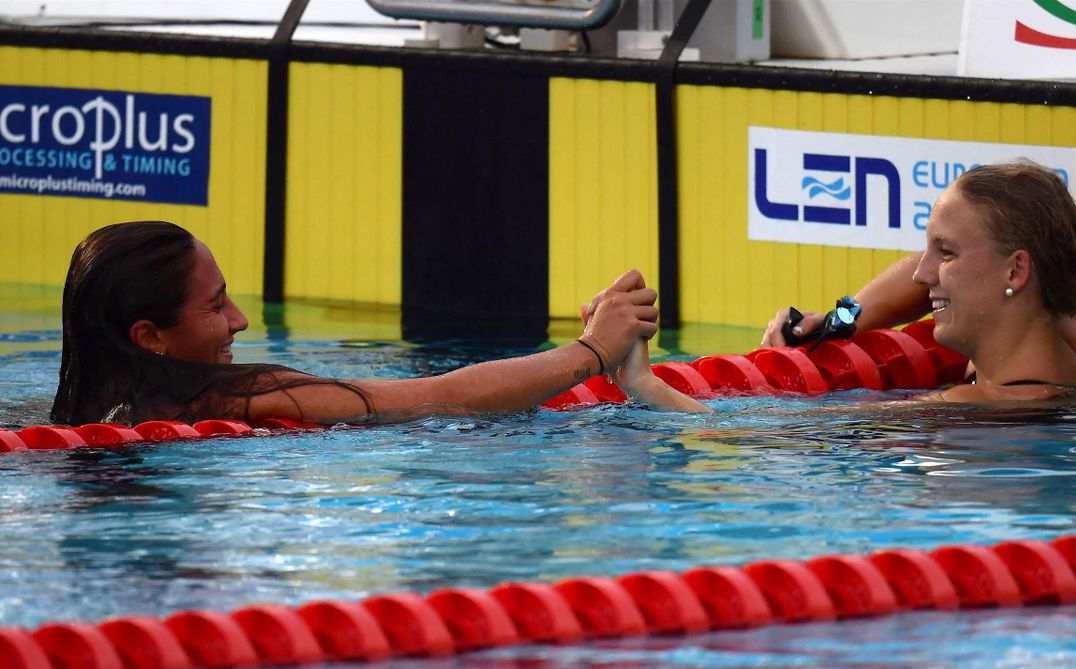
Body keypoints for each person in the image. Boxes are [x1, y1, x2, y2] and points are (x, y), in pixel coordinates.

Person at [51, 221, 706, 427]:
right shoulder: (232, 398)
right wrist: (592, 351)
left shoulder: (82, 412)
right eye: (216, 305)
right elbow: (437, 397)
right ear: (149, 337)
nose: (240, 320)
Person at [760, 161, 1076, 402]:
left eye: (945, 253)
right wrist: (842, 319)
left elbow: (789, 432)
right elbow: (923, 272)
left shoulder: (973, 404)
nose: (921, 274)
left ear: (1015, 271)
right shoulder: (1072, 333)